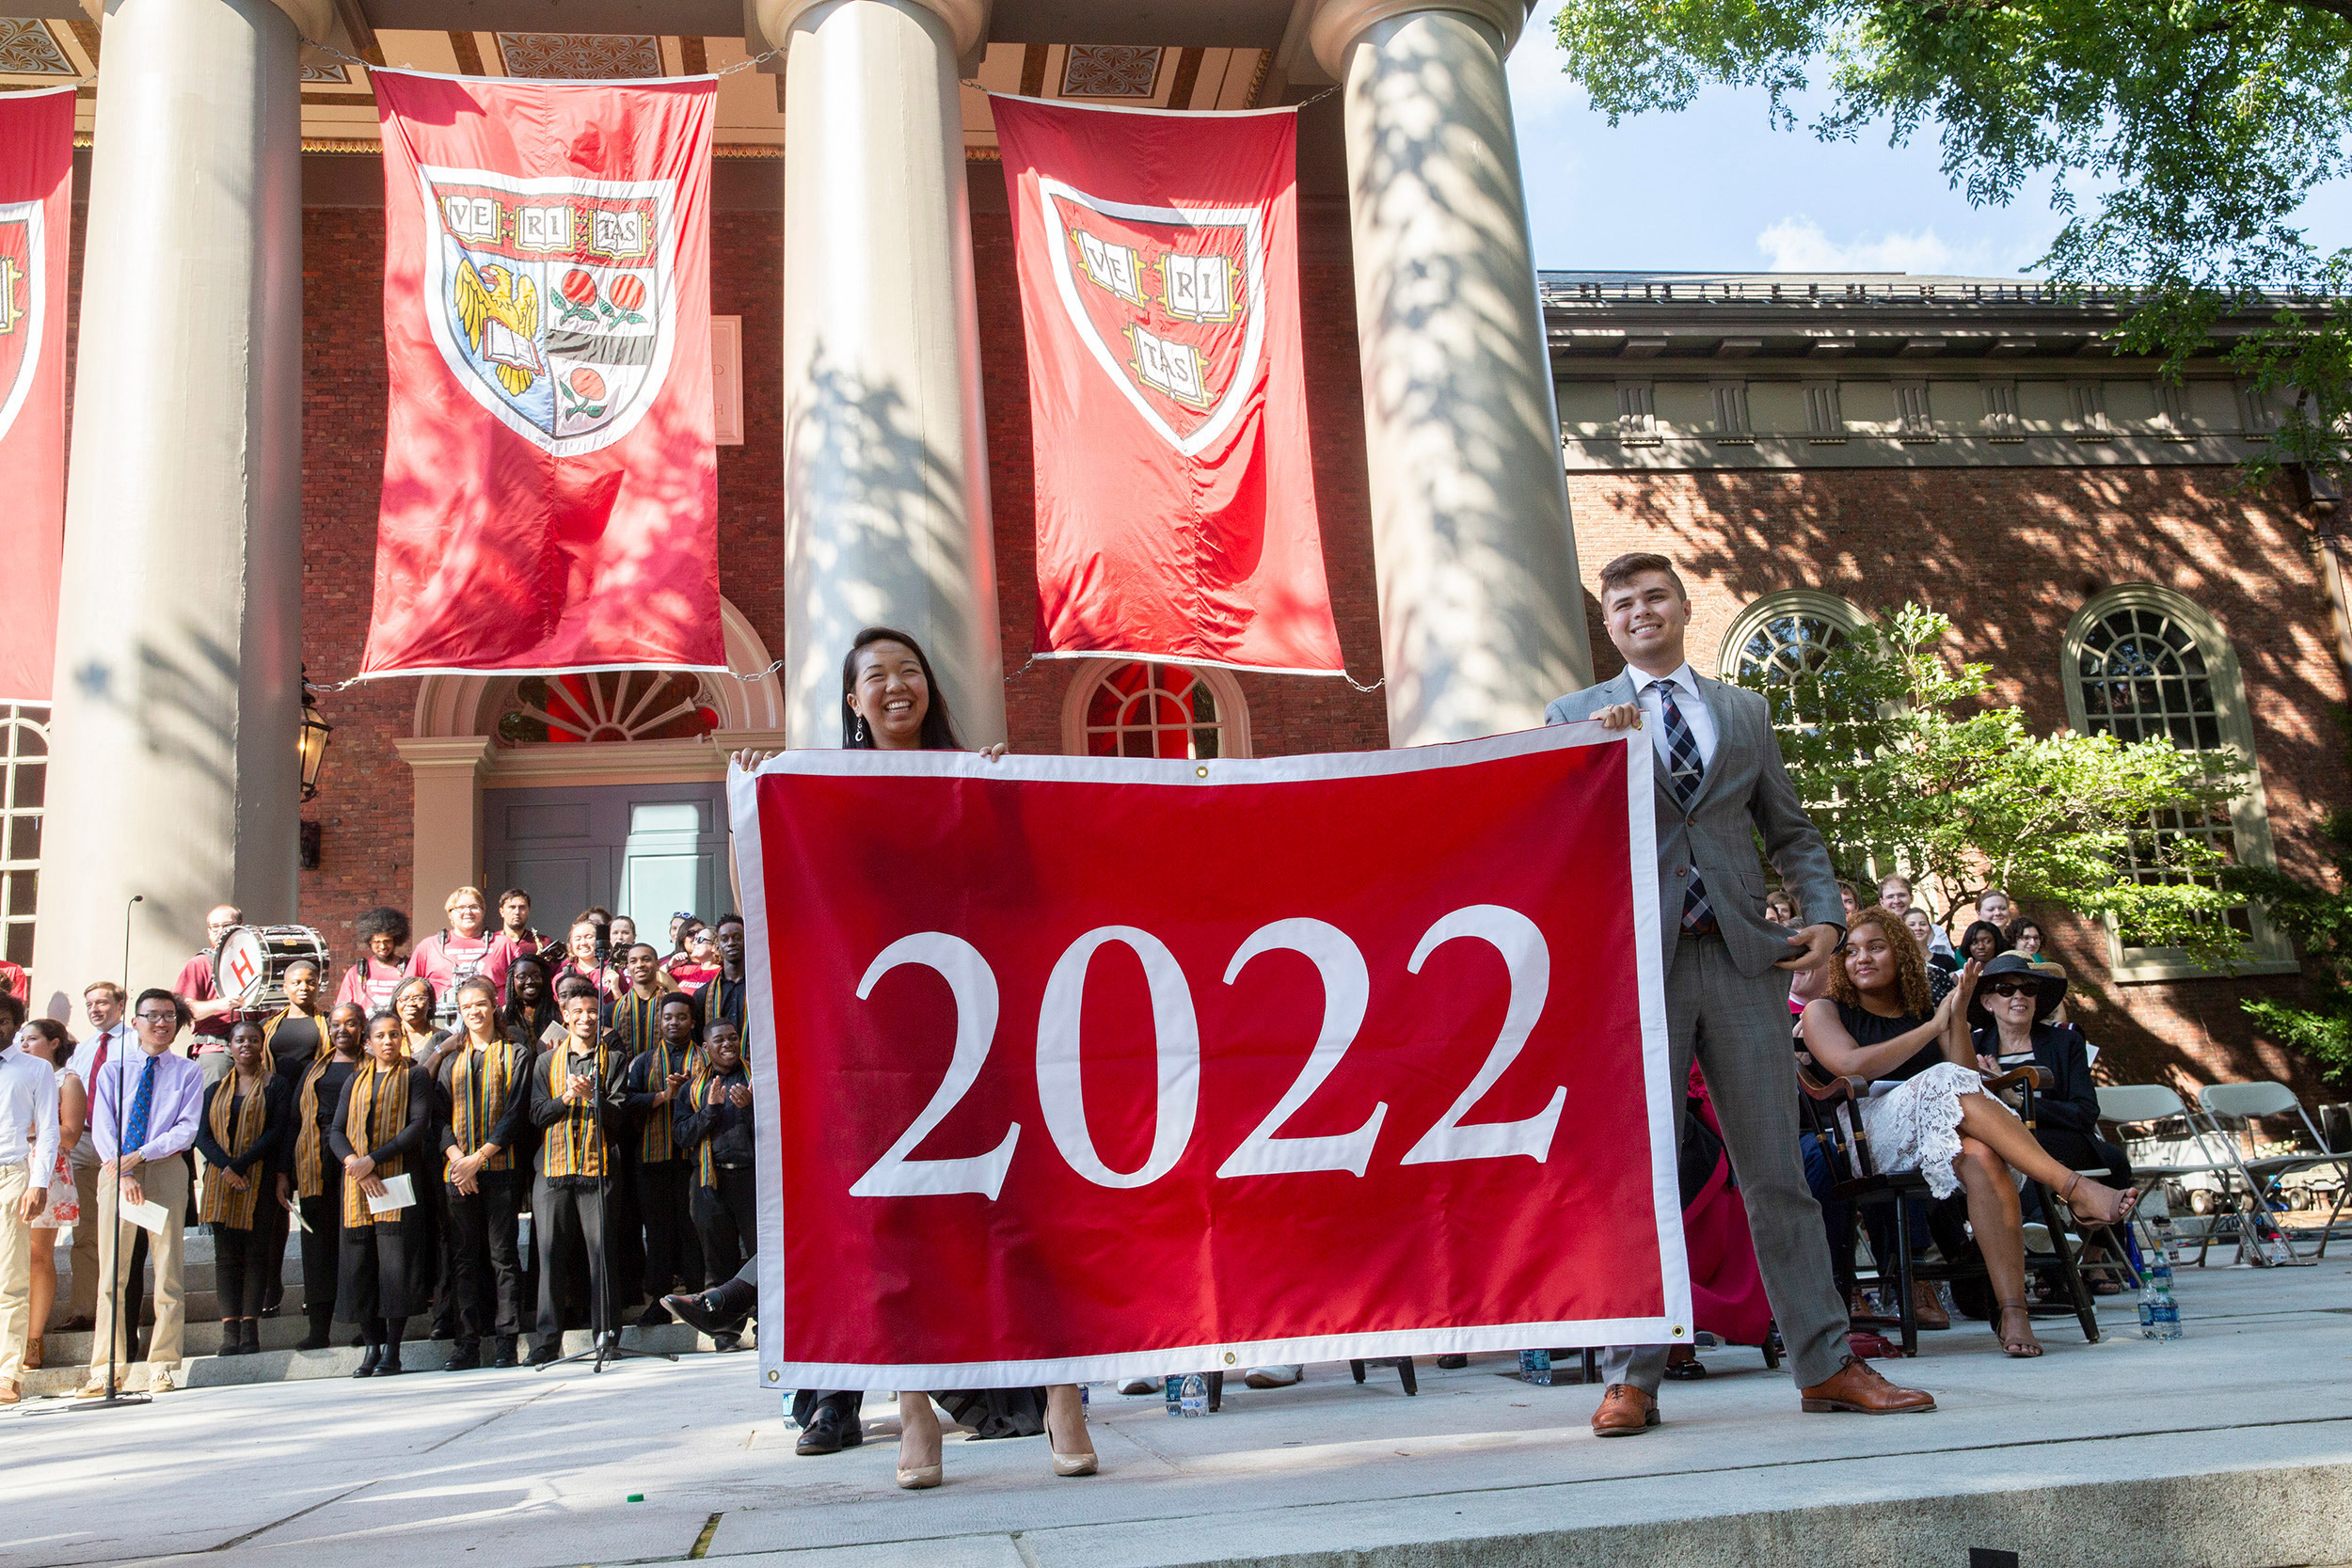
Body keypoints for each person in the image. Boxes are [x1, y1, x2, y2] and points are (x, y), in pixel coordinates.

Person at [1546, 552, 1933, 1433]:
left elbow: (1791, 832)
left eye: (1655, 597)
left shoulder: (1744, 712)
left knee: (1776, 1175)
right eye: (1622, 604)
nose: (1640, 612)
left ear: (1684, 608)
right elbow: (1557, 832)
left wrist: (1826, 918)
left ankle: (1825, 1364)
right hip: (1635, 968)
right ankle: (1631, 1378)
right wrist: (1597, 753)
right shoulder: (1573, 715)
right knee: (1637, 1175)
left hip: (1740, 963)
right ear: (1607, 624)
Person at [834, 625, 1090, 1481]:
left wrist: (1004, 799)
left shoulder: (974, 776)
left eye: (909, 670)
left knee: (1020, 1210)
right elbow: (778, 901)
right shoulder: (826, 792)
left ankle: (1063, 1395)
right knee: (896, 1220)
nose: (895, 685)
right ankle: (916, 1413)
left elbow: (1025, 890)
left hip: (985, 1021)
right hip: (883, 1038)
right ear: (854, 700)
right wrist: (754, 806)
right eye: (877, 675)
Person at [1801, 910, 2137, 1357]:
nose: (1862, 958)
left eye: (1876, 947)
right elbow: (1851, 1065)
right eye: (1851, 952)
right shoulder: (1824, 1010)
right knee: (1943, 1081)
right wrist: (1932, 1029)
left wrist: (1956, 1015)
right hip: (1869, 1136)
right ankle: (2072, 1186)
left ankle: (2013, 1310)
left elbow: (1964, 1078)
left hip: (1939, 1133)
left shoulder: (1929, 1008)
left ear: (1900, 954)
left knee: (1982, 1154)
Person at [1968, 953, 2134, 1291]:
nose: (2019, 996)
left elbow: (2085, 1111)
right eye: (2006, 989)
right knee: (2003, 1153)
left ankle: (2085, 1257)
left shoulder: (2065, 1042)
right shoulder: (1973, 1047)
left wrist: (2019, 1100)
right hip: (2001, 1146)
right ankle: (2046, 1257)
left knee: (2110, 1159)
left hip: (2063, 1139)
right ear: (1987, 1001)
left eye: (2028, 989)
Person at [80, 990, 203, 1397]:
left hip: (165, 1169)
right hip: (117, 1172)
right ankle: (106, 1369)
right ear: (134, 1021)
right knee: (112, 1274)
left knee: (168, 1270)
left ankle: (163, 1365)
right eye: (152, 1015)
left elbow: (186, 1128)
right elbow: (103, 1126)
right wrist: (125, 1170)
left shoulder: (188, 1071)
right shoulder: (113, 1069)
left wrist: (142, 1155)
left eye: (169, 1016)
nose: (161, 1023)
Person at [528, 977, 628, 1365]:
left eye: (592, 1012)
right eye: (578, 1012)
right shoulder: (545, 1062)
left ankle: (607, 1336)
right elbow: (537, 1114)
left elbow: (619, 1118)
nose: (585, 1018)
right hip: (552, 1169)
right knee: (550, 1255)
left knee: (602, 1254)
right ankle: (546, 1342)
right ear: (566, 1018)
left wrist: (593, 1097)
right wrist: (569, 1096)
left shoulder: (613, 1060)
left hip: (597, 1167)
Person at [437, 976, 535, 1370]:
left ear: (494, 1005)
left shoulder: (516, 1053)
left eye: (480, 1004)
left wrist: (478, 1158)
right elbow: (438, 1117)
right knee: (463, 1258)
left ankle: (506, 1341)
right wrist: (459, 1160)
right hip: (459, 1173)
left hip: (500, 1168)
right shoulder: (451, 1060)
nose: (474, 1012)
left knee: (503, 1256)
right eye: (466, 1007)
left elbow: (516, 1113)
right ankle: (467, 1343)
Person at [330, 1011, 435, 1377]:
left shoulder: (415, 1075)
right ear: (368, 1043)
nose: (388, 1041)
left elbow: (417, 1127)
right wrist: (355, 1164)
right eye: (380, 1036)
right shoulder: (355, 1079)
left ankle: (392, 1349)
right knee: (360, 1265)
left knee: (395, 1266)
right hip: (358, 1187)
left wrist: (371, 1161)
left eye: (393, 1035)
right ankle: (371, 1347)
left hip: (396, 1181)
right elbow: (336, 1130)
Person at [194, 1019, 291, 1358]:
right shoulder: (213, 1090)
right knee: (226, 1258)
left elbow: (277, 1131)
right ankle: (229, 1332)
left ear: (262, 1046)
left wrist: (240, 1165)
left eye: (253, 1039)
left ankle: (250, 1331)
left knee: (255, 1254)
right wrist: (227, 1166)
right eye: (239, 1040)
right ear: (229, 1047)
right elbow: (201, 1135)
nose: (246, 1045)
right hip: (222, 1184)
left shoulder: (276, 1086)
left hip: (259, 1179)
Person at [280, 1002, 367, 1351]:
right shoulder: (314, 1069)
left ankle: (366, 1324)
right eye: (336, 1024)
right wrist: (283, 1173)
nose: (342, 1030)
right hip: (315, 1166)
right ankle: (319, 1330)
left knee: (359, 1244)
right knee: (318, 1248)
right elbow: (293, 1122)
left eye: (350, 1023)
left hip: (359, 1165)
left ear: (362, 1027)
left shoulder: (374, 1065)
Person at [673, 1018, 753, 1352]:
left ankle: (768, 1327)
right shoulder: (692, 1088)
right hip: (709, 1180)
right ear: (705, 1047)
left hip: (752, 1178)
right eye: (719, 1040)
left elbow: (783, 1124)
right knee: (717, 1259)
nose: (728, 1044)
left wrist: (750, 1108)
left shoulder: (757, 1079)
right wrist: (710, 1110)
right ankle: (725, 1332)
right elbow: (682, 1136)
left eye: (732, 1038)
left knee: (760, 1256)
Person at [625, 993, 704, 1324]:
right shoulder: (644, 1061)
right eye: (668, 1017)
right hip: (653, 1158)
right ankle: (658, 1303)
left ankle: (698, 1298)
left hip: (694, 1159)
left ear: (692, 1022)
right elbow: (628, 1102)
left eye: (681, 1017)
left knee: (692, 1229)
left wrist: (688, 1092)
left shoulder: (705, 1057)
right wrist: (663, 1096)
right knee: (658, 1234)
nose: (674, 1023)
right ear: (660, 1022)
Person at [59, 981, 131, 1333]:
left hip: (123, 1146)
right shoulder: (83, 1050)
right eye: (90, 1004)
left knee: (122, 1231)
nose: (95, 1009)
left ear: (121, 1005)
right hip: (85, 1143)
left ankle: (119, 1311)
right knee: (85, 1230)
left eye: (102, 1002)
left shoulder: (135, 1043)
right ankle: (84, 1309)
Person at [0, 1006, 61, 1406]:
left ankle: (7, 1373)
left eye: (3, 1020)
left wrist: (39, 1183)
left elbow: (49, 1130)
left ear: (15, 1025)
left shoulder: (35, 1069)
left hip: (11, 1174)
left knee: (10, 1277)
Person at [15, 1019, 82, 1379]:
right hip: (10, 1162)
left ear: (54, 1042)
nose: (24, 1044)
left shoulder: (66, 1080)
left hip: (47, 1166)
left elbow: (69, 1135)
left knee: (38, 1257)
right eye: (21, 1039)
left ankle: (33, 1338)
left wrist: (27, 1125)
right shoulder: (14, 1073)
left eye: (32, 1038)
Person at [408, 887, 518, 1019]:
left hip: (494, 1020)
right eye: (460, 907)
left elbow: (522, 982)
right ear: (450, 914)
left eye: (474, 907)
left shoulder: (503, 944)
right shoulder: (429, 946)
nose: (468, 912)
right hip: (441, 1020)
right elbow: (408, 987)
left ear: (483, 912)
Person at [176, 903, 246, 1080]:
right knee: (215, 1097)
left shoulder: (255, 961)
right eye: (215, 927)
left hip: (255, 1048)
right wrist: (219, 1005)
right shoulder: (200, 963)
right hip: (217, 1049)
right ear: (209, 932)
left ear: (241, 926)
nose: (220, 931)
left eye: (227, 925)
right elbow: (182, 1010)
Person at [337, 907, 411, 1015]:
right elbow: (342, 1010)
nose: (382, 946)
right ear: (369, 942)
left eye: (387, 941)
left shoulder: (410, 969)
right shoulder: (355, 972)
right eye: (377, 942)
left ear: (395, 940)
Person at [504, 953, 563, 1049]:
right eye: (522, 977)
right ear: (512, 981)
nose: (530, 981)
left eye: (536, 976)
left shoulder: (558, 1013)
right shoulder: (503, 1015)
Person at [706, 914, 749, 1041]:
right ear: (717, 947)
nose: (731, 943)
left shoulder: (764, 989)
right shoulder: (704, 995)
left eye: (737, 938)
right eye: (724, 939)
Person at [498, 889, 562, 967]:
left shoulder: (544, 943)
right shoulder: (490, 943)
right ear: (502, 912)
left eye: (522, 907)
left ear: (528, 911)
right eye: (512, 907)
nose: (517, 912)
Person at [667, 923, 720, 994]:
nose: (694, 943)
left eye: (700, 940)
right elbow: (655, 978)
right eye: (695, 939)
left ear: (714, 946)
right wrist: (669, 966)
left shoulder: (722, 973)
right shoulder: (686, 970)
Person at [1908, 909, 1958, 974]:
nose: (1918, 928)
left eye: (1923, 924)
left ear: (1930, 929)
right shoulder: (1899, 962)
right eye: (1912, 925)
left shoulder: (1947, 961)